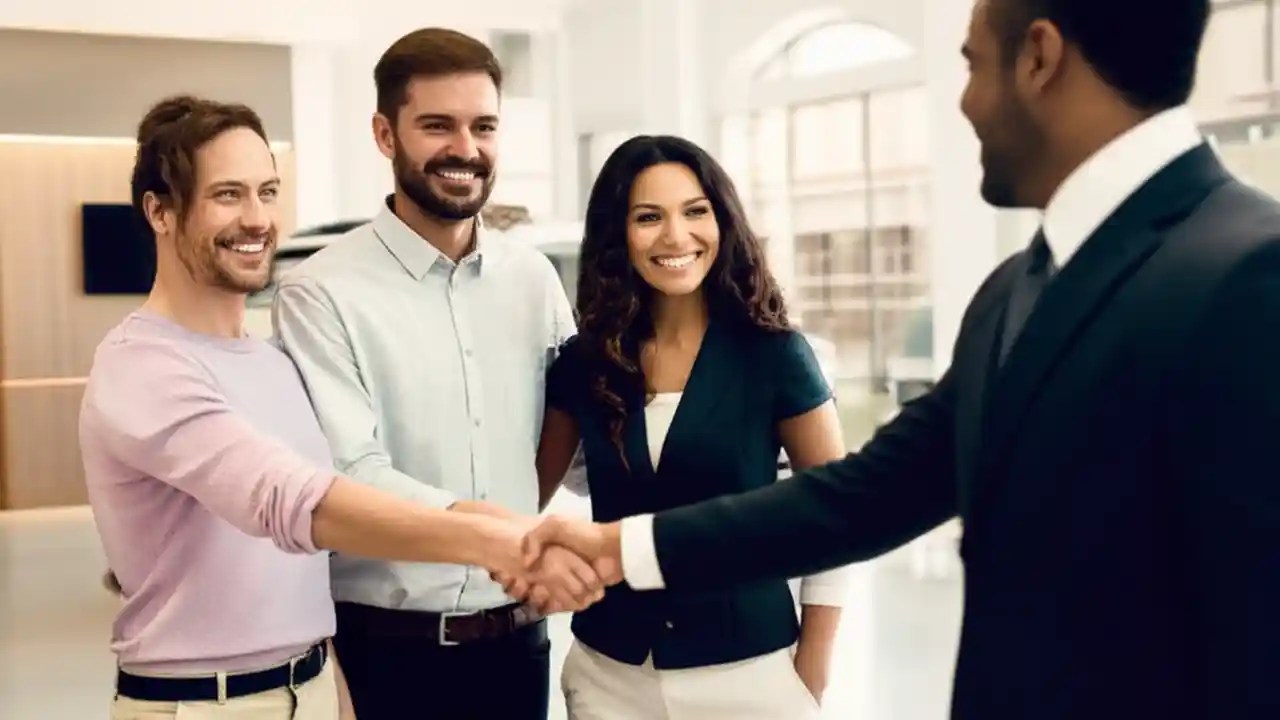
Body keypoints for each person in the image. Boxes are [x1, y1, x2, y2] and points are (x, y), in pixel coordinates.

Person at [522, 1, 1280, 718]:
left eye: (972, 65)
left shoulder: (1251, 274)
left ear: (1040, 57)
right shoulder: (1016, 291)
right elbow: (860, 498)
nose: (964, 103)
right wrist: (620, 546)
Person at [81, 95, 595, 720]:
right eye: (227, 195)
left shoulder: (272, 362)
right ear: (159, 211)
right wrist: (500, 538)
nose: (257, 219)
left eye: (267, 192)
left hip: (313, 685)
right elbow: (289, 501)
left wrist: (332, 688)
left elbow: (302, 564)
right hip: (201, 703)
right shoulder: (142, 365)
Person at [272, 28, 586, 720]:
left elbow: (576, 451)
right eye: (437, 126)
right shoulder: (321, 293)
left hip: (518, 647)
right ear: (386, 135)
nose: (465, 149)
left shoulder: (533, 281)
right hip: (385, 654)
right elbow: (353, 473)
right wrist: (507, 537)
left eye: (483, 127)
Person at [530, 135, 851, 719]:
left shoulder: (775, 355)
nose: (676, 237)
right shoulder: (585, 362)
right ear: (617, 236)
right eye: (648, 217)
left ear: (722, 221)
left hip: (749, 675)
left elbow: (834, 516)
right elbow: (525, 494)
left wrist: (813, 668)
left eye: (695, 212)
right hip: (610, 678)